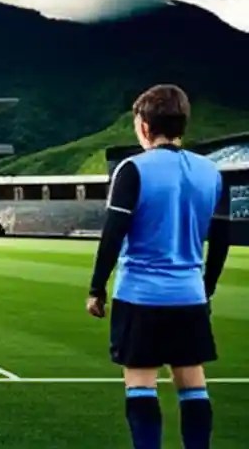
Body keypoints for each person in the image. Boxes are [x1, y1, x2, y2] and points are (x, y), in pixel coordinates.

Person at [87, 84, 232, 449]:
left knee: (140, 385)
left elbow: (114, 233)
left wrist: (96, 288)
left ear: (144, 126)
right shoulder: (211, 173)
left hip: (141, 294)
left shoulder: (132, 169)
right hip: (189, 296)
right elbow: (222, 239)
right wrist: (207, 288)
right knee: (193, 384)